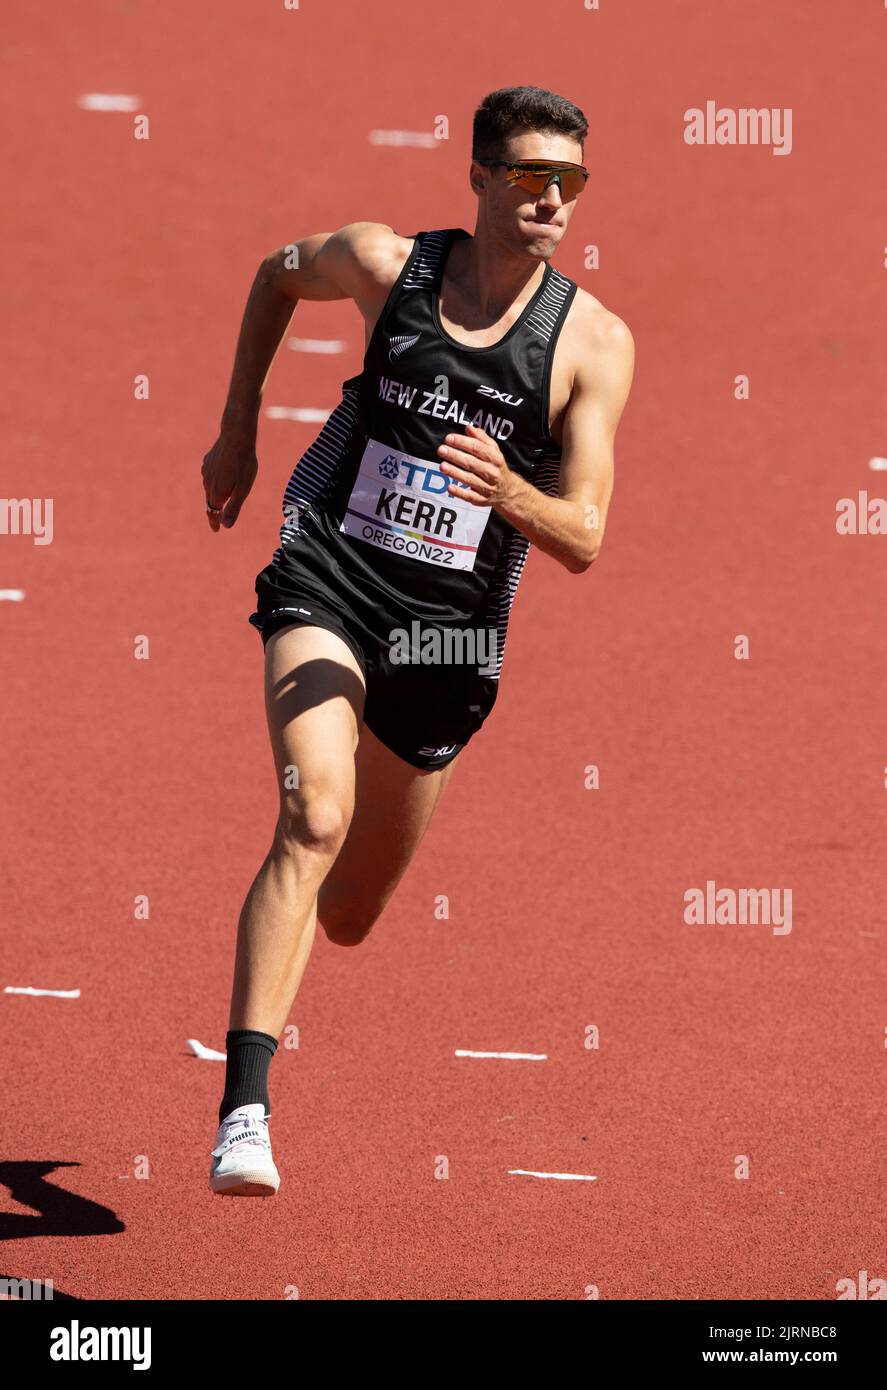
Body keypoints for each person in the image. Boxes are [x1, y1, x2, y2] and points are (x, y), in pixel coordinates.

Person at [201, 86, 634, 1195]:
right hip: (329, 579)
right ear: (480, 178)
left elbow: (583, 533)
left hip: (445, 646)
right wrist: (239, 422)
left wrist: (510, 495)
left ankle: (313, 933)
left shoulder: (589, 343)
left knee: (347, 914)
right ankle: (243, 1109)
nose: (549, 198)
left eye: (568, 182)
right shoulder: (383, 264)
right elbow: (272, 273)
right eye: (529, 175)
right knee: (314, 811)